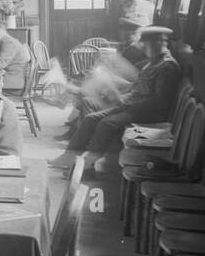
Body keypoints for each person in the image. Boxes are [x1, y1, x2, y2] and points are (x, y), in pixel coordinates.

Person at [49, 26, 183, 174]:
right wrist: (122, 97)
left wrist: (128, 103)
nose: (143, 48)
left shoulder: (167, 66)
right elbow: (136, 89)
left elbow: (160, 102)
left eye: (146, 44)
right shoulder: (152, 62)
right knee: (90, 119)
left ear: (158, 43)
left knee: (107, 124)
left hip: (149, 113)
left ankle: (87, 166)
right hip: (133, 106)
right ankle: (67, 158)